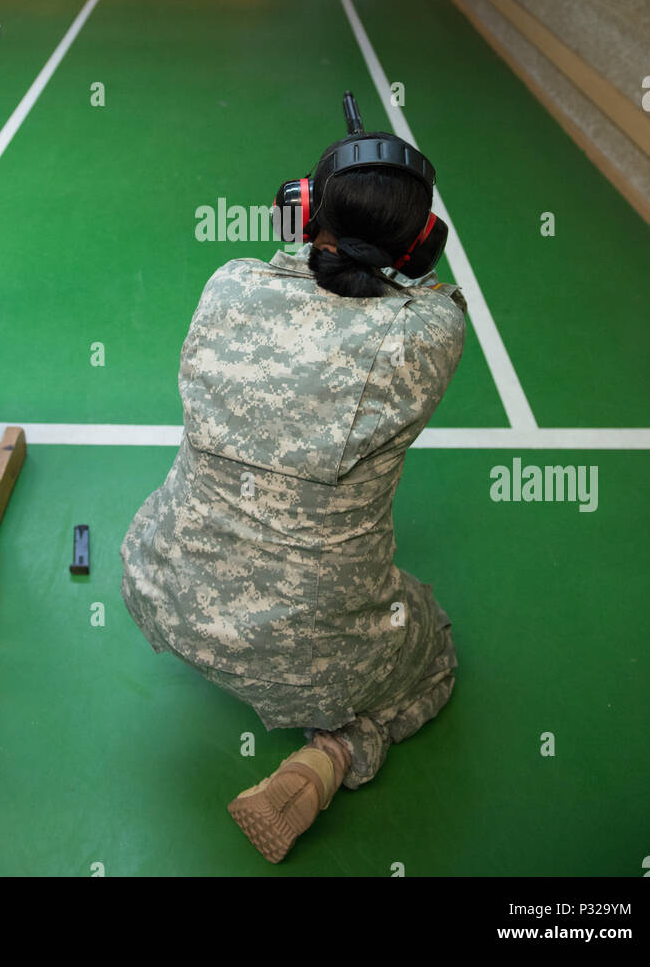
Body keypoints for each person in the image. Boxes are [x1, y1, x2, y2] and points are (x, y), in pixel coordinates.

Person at [120, 131, 467, 863]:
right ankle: (337, 752)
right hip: (311, 660)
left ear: (300, 211)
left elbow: (297, 266)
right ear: (420, 247)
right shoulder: (429, 334)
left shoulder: (229, 284)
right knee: (429, 642)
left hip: (163, 588)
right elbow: (422, 295)